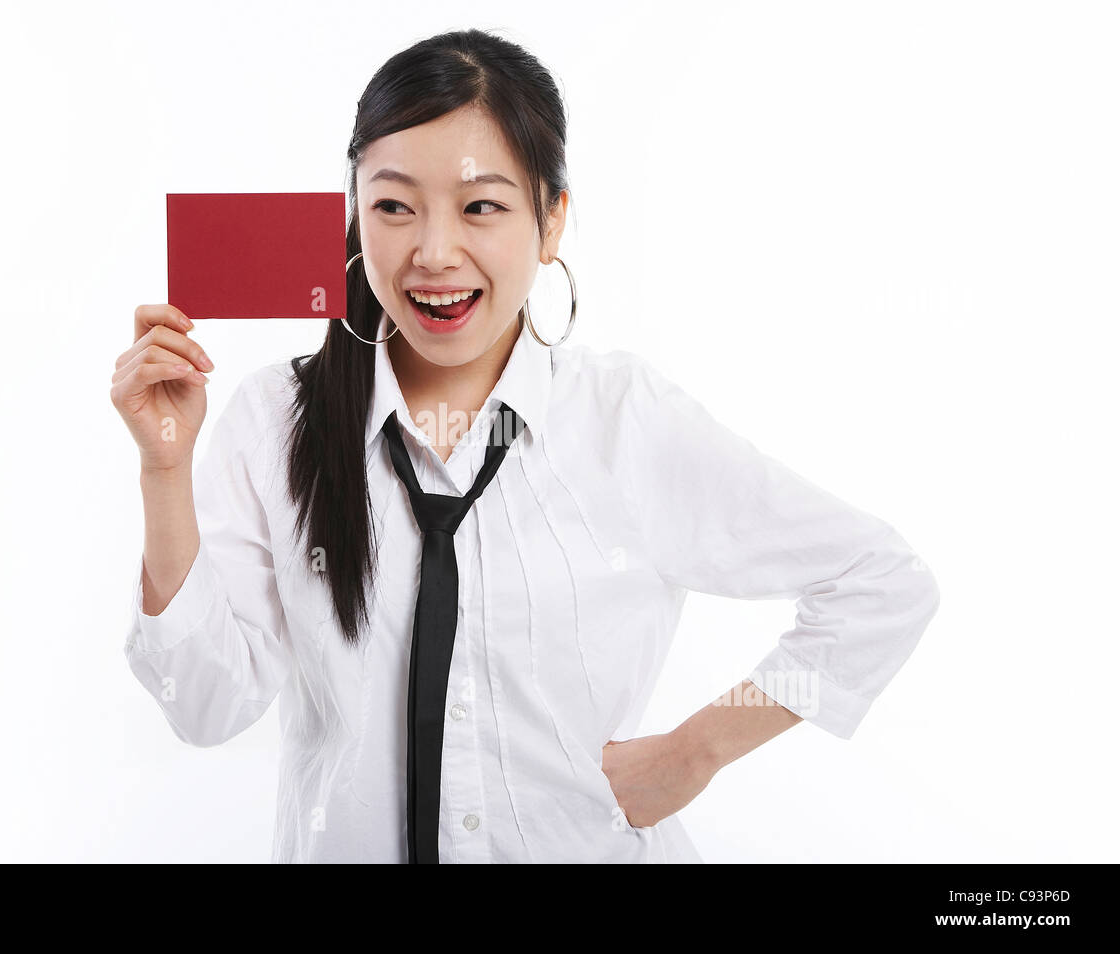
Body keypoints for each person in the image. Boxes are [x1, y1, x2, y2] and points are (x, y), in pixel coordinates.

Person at [109, 28, 941, 864]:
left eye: (482, 206)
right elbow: (205, 708)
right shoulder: (274, 420)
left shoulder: (626, 423)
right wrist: (164, 469)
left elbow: (881, 584)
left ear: (552, 223)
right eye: (394, 204)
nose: (434, 253)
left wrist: (699, 751)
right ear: (355, 217)